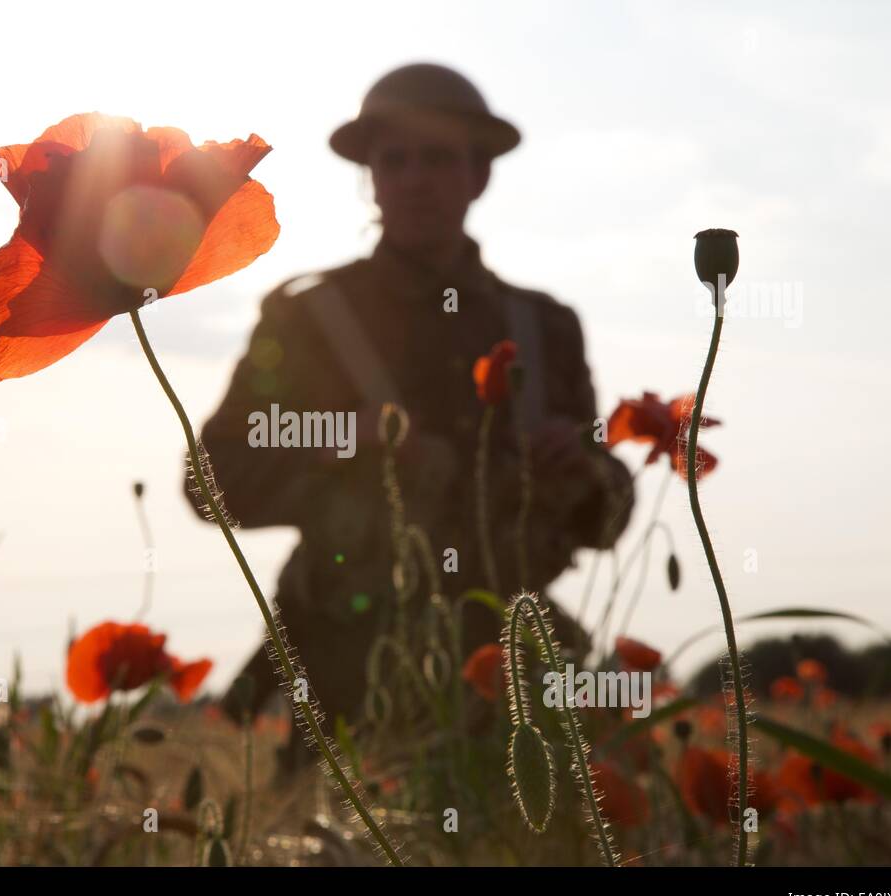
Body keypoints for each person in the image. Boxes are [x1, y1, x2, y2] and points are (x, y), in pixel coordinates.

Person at [184, 62, 634, 768]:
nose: (416, 178)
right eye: (395, 160)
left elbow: (610, 521)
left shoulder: (545, 326)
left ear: (479, 175)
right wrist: (344, 440)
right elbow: (210, 481)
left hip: (514, 676)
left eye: (439, 158)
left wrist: (580, 464)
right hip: (350, 676)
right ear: (371, 177)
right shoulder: (306, 317)